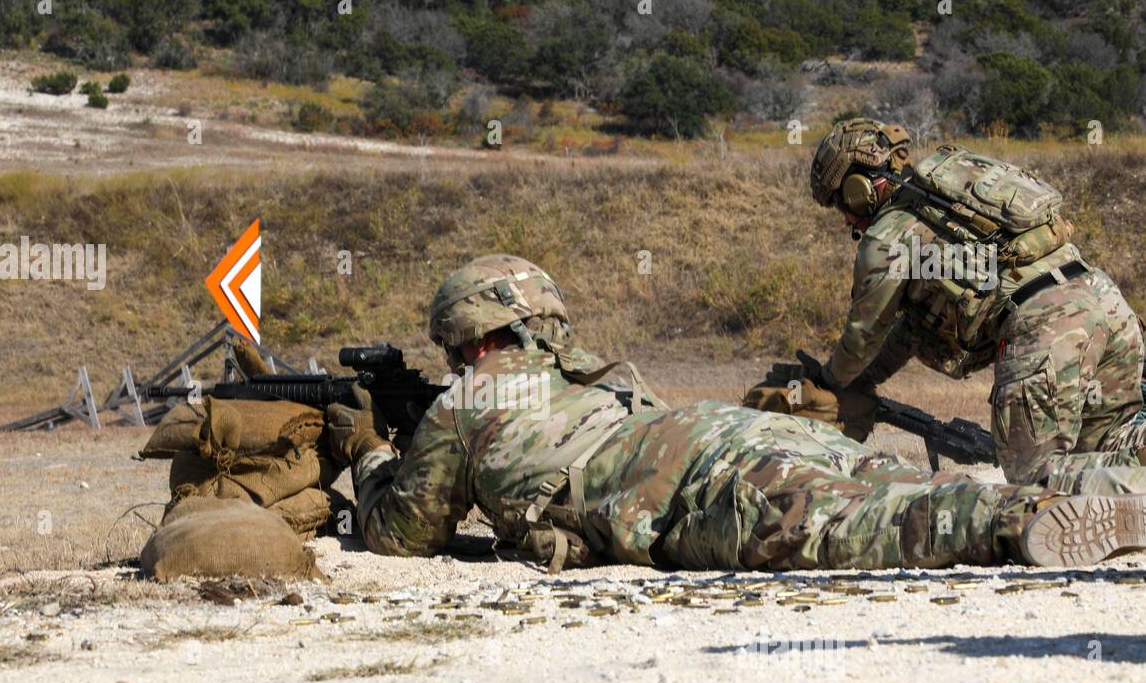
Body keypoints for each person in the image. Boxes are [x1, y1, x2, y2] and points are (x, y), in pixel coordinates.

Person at [324, 254, 1146, 571]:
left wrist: (367, 452)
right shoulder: (597, 370)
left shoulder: (469, 400)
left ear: (464, 335)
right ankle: (1116, 483)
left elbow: (403, 535)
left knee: (862, 525)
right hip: (729, 428)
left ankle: (1026, 519)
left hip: (691, 483)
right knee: (885, 476)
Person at [769, 118, 1146, 493]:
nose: (847, 219)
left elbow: (862, 338)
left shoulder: (888, 236)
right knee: (1108, 441)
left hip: (1047, 325)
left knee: (1037, 483)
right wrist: (866, 379)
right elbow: (905, 335)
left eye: (840, 202)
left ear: (858, 187)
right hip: (1102, 299)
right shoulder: (950, 199)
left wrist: (829, 383)